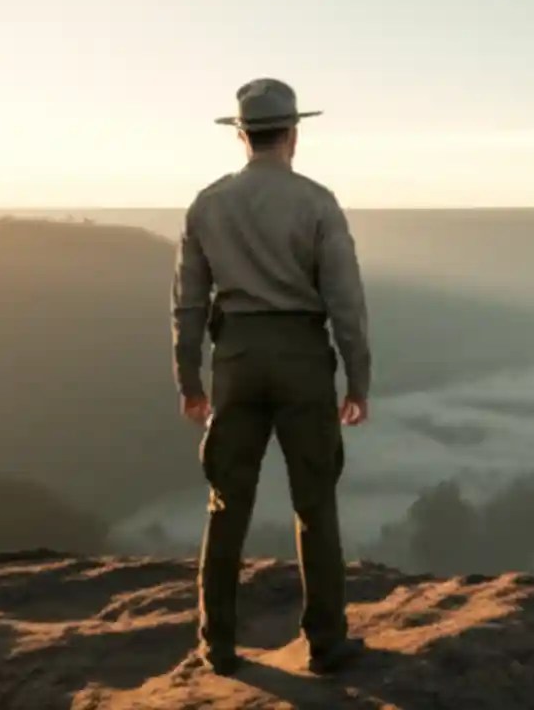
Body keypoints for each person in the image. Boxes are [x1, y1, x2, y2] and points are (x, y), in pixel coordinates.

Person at [171, 78, 372, 677]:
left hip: (234, 359)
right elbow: (346, 303)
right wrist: (358, 381)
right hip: (304, 358)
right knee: (315, 502)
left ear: (240, 135)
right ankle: (327, 645)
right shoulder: (317, 202)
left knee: (226, 501)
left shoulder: (207, 204)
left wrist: (189, 379)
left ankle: (219, 646)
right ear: (292, 134)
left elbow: (186, 302)